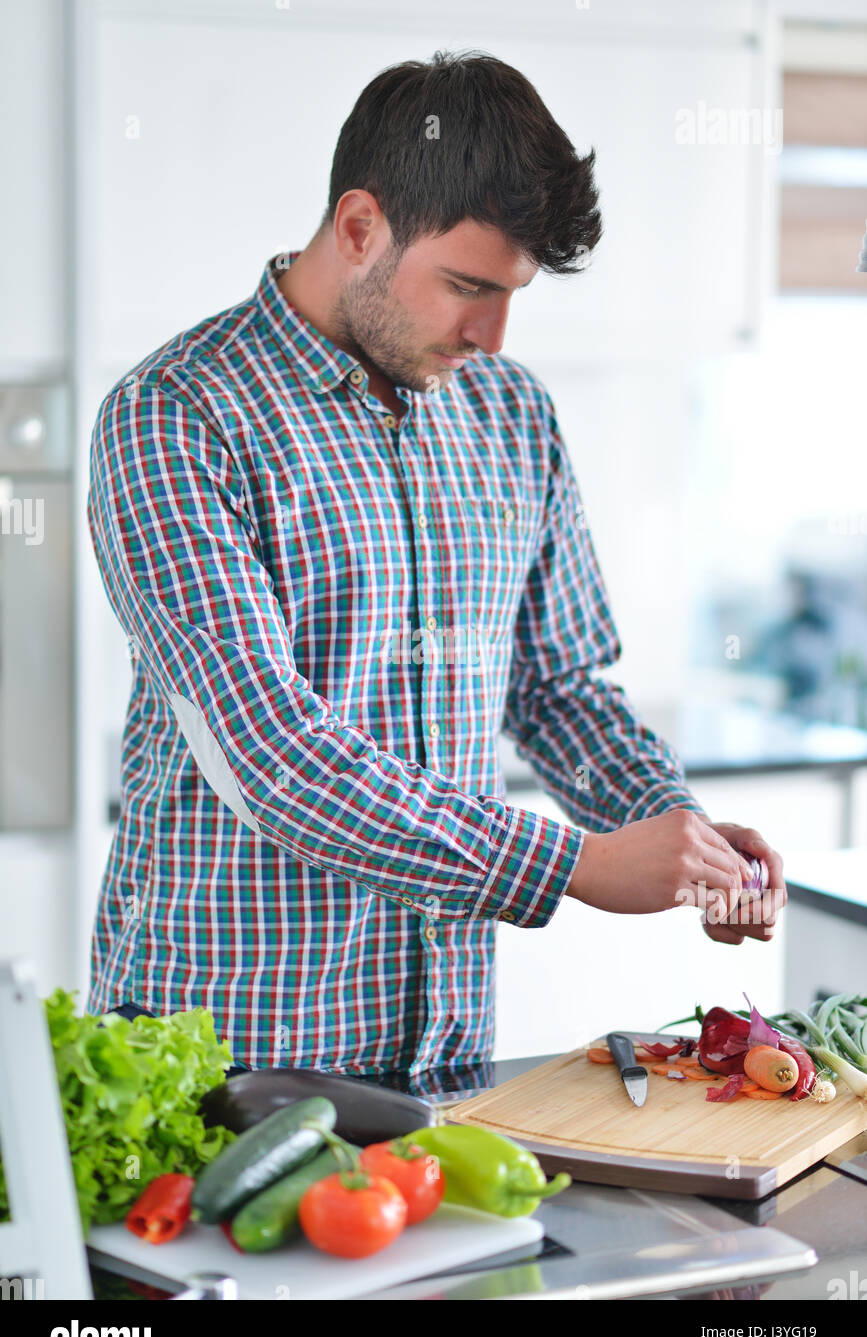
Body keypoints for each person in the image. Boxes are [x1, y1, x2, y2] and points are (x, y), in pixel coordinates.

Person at [86, 49, 786, 1074]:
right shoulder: (175, 416)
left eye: (512, 292)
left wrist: (674, 833)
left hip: (448, 1059)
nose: (493, 334)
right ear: (361, 227)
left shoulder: (512, 415)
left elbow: (557, 687)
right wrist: (581, 864)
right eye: (466, 285)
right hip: (226, 1057)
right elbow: (271, 754)